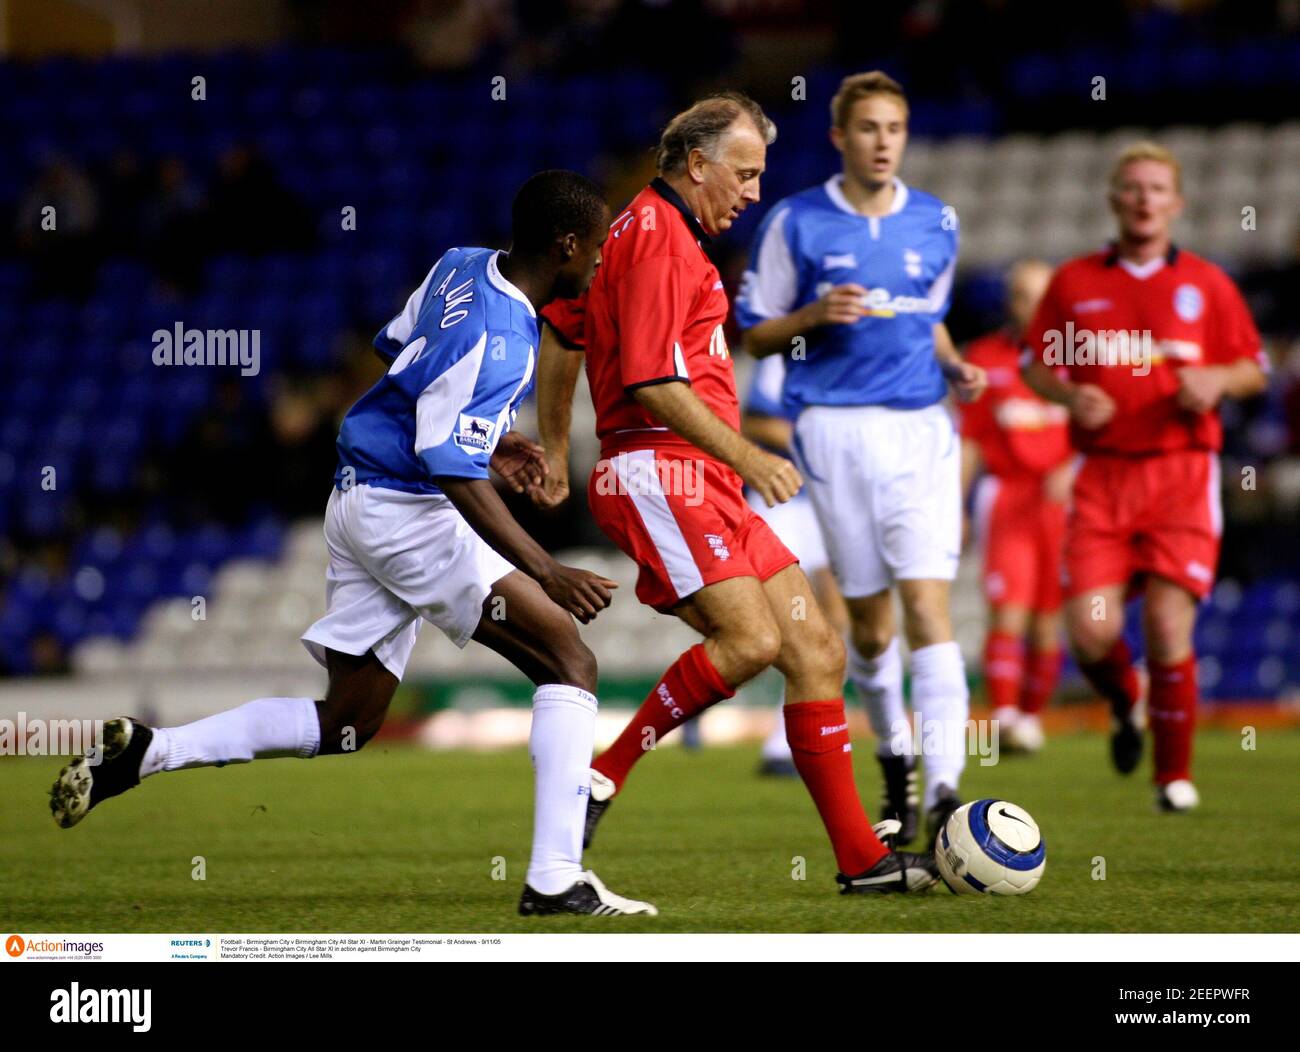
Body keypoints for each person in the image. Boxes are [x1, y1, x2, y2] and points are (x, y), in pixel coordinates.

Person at [49, 170, 657, 918]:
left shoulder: (459, 264)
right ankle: (556, 879)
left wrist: (491, 443)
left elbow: (401, 356)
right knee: (569, 658)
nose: (599, 261)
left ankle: (151, 752)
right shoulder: (504, 338)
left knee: (347, 723)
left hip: (356, 500)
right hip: (411, 512)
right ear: (567, 246)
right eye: (595, 247)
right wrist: (545, 567)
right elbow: (445, 464)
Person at [532, 93, 938, 894]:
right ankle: (603, 774)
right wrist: (750, 456)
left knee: (817, 652)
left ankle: (863, 863)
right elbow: (649, 381)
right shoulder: (652, 237)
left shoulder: (656, 234)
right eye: (745, 175)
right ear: (697, 164)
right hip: (661, 470)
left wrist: (553, 447)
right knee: (753, 641)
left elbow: (564, 328)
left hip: (701, 478)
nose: (753, 193)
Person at [735, 72, 986, 847]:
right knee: (870, 632)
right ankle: (898, 765)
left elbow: (928, 318)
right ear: (841, 137)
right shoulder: (795, 222)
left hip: (920, 430)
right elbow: (755, 333)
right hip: (834, 433)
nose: (884, 142)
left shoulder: (936, 220)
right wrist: (813, 315)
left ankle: (947, 795)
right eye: (869, 129)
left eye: (896, 129)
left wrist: (953, 365)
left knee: (928, 607)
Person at [1021, 142, 1268, 812]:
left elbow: (1254, 367)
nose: (1144, 199)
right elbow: (1034, 365)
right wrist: (1070, 397)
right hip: (1102, 480)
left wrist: (1218, 378)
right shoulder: (1075, 284)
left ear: (1176, 203)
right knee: (1093, 633)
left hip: (1181, 479)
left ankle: (1172, 778)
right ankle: (1125, 700)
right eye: (1132, 187)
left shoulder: (1208, 286)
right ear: (1114, 198)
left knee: (1166, 627)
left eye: (1157, 188)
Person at [959, 260, 1072, 752]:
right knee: (1009, 609)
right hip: (1007, 497)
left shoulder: (1080, 361)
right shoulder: (985, 359)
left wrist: (1076, 470)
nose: (1035, 306)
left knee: (1050, 620)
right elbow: (971, 441)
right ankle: (1003, 716)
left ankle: (1030, 718)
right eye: (1025, 295)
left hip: (1062, 506)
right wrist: (957, 507)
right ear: (1011, 302)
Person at [740, 354, 850, 777]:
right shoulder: (785, 357)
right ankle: (784, 737)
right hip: (784, 499)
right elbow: (756, 422)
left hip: (827, 500)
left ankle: (805, 728)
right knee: (787, 623)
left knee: (836, 618)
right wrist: (815, 442)